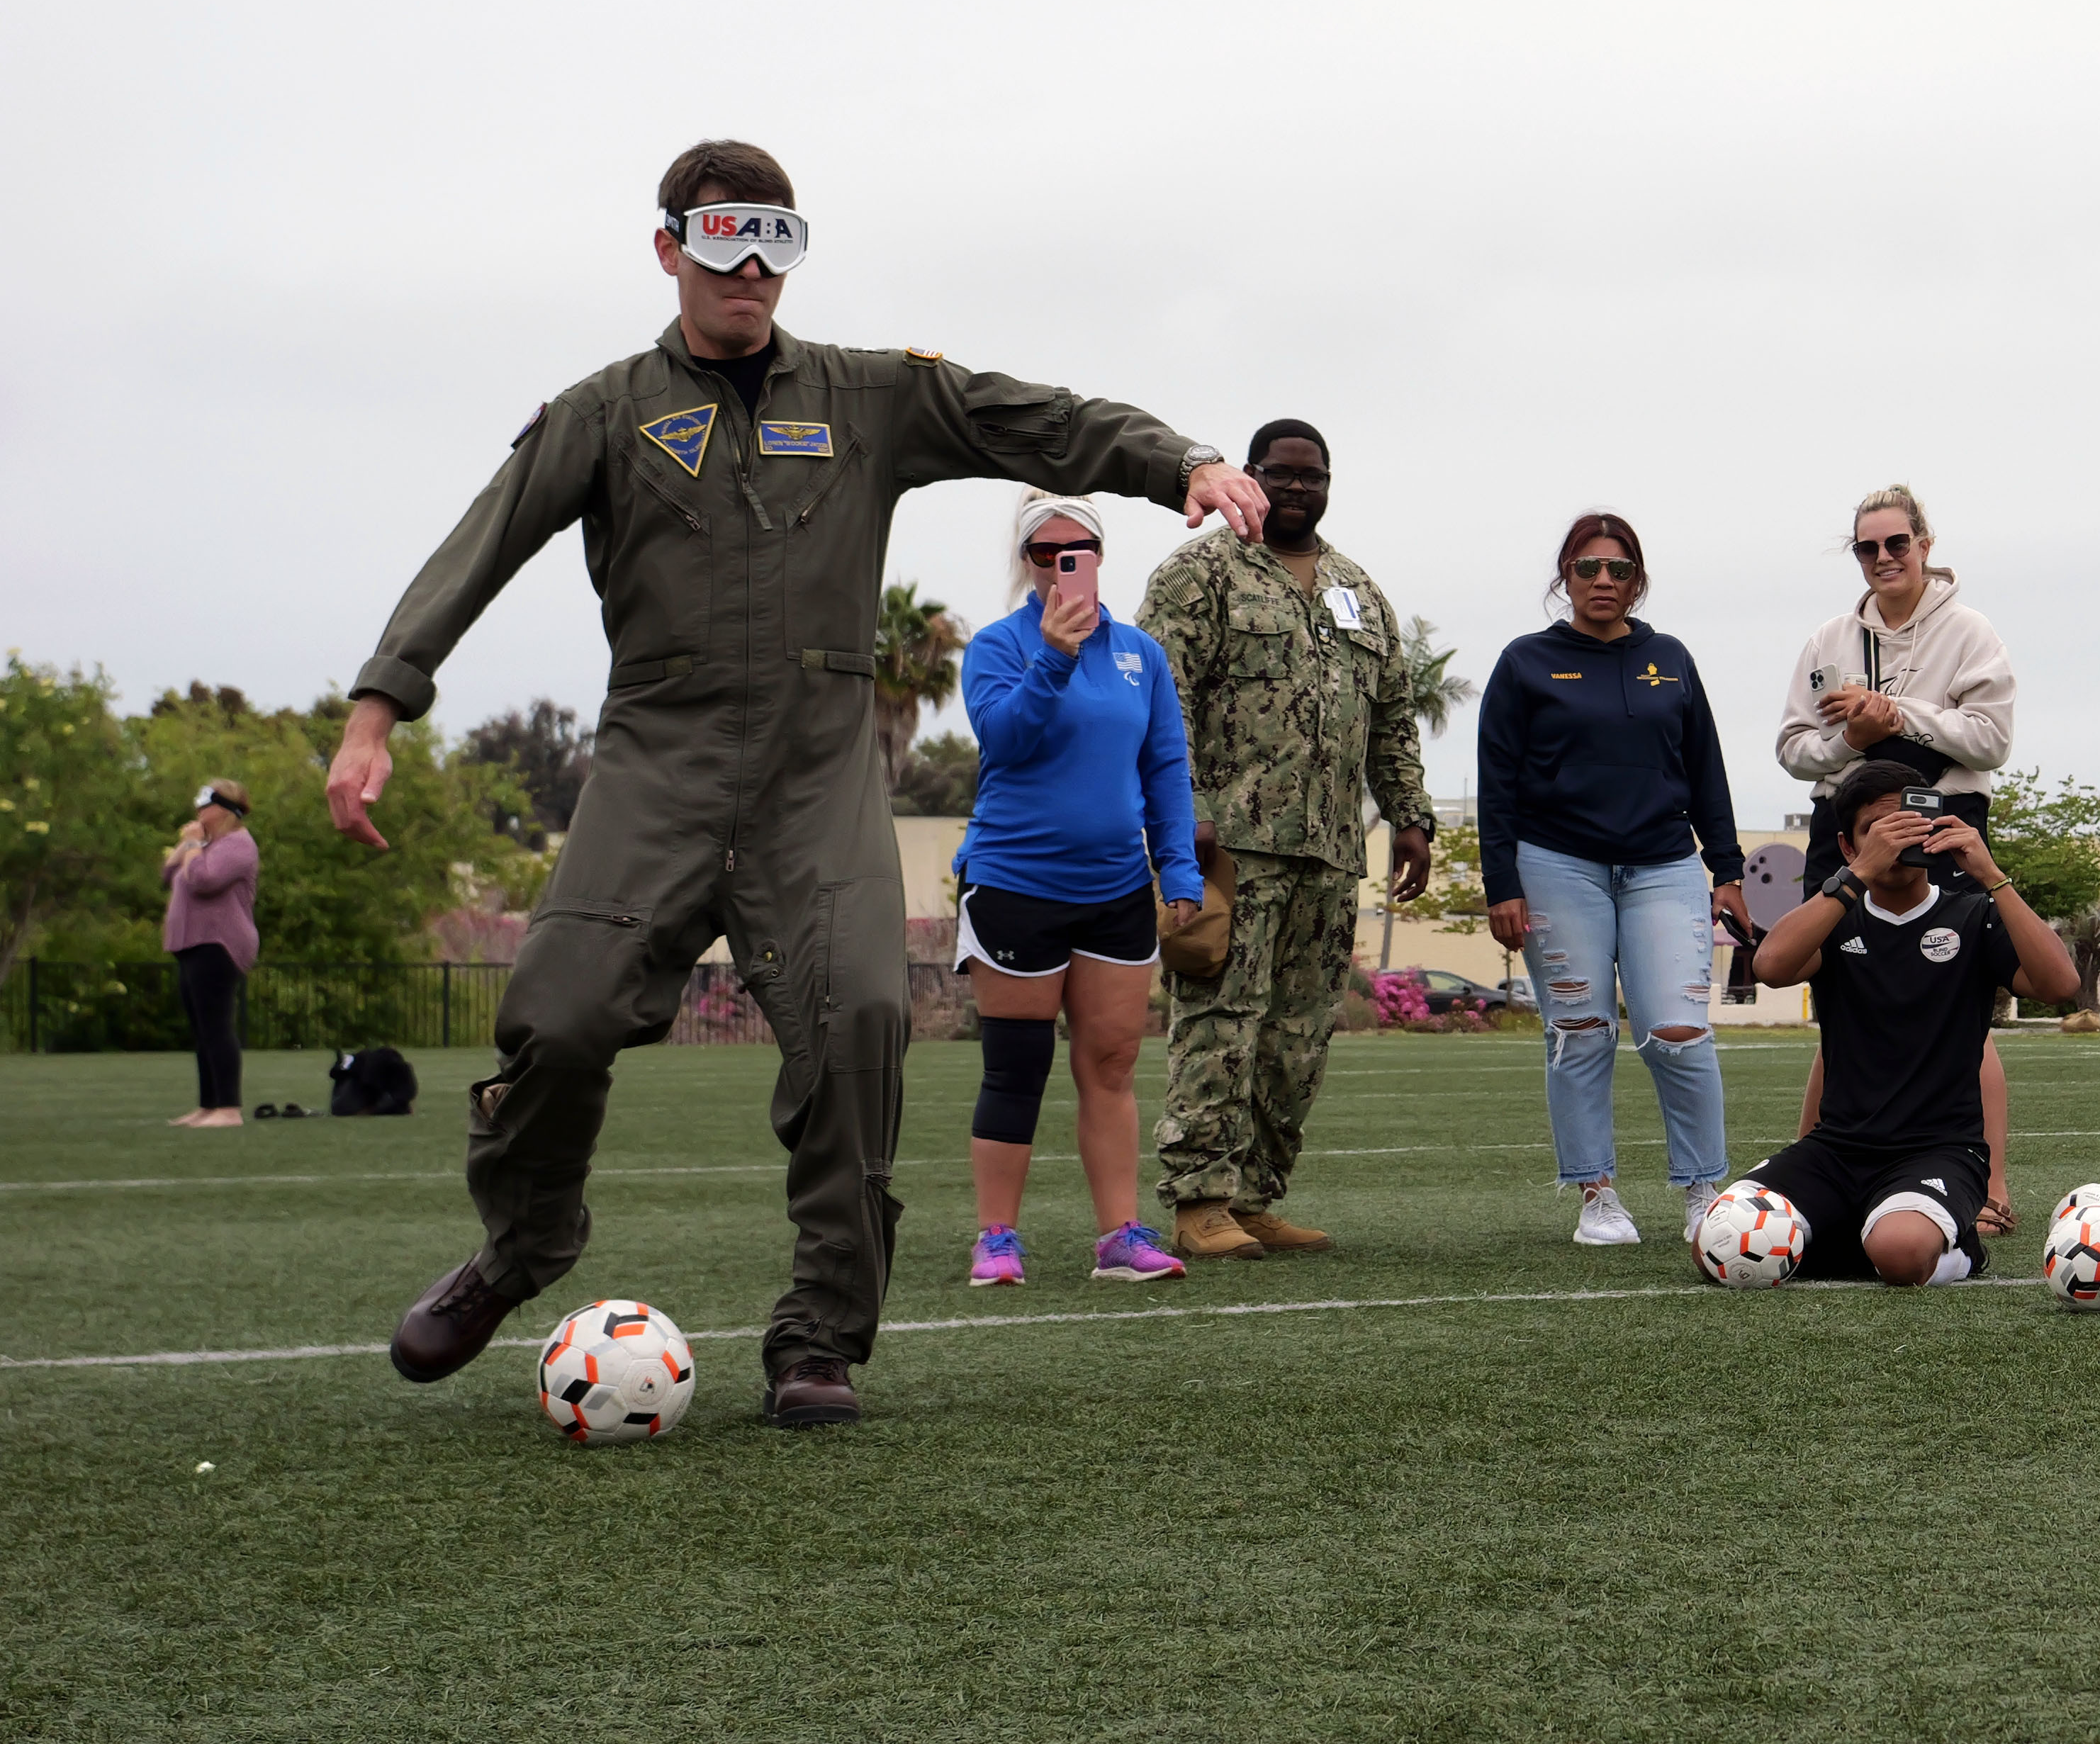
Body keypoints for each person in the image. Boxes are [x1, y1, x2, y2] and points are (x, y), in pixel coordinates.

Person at [327, 140, 1264, 1425]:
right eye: (721, 236)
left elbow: (1028, 416)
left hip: (818, 772)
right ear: (669, 249)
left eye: (776, 236)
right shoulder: (604, 411)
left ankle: (819, 1330)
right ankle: (521, 1246)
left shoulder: (868, 395)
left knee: (861, 1020)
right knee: (557, 1012)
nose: (751, 264)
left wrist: (1178, 463)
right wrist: (381, 703)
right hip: (658, 755)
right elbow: (483, 539)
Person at [1137, 417, 1435, 1261]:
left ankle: (1257, 1195)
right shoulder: (1200, 575)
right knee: (1219, 1020)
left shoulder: (1358, 589)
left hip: (1329, 850)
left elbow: (1392, 717)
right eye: (1281, 474)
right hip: (1224, 846)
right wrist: (1178, 810)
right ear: (1252, 478)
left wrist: (1408, 814)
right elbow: (1160, 700)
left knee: (1299, 1033)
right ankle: (1200, 1200)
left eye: (1314, 475)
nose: (1298, 488)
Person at [1477, 514, 1755, 1246]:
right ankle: (1596, 1194)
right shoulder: (1524, 662)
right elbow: (1495, 782)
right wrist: (1500, 881)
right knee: (1580, 1031)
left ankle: (1704, 1190)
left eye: (1620, 568)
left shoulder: (1670, 658)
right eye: (1587, 567)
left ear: (1639, 579)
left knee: (1680, 1029)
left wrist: (1726, 868)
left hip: (1663, 865)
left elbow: (1706, 770)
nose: (1604, 581)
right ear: (1564, 577)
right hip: (1555, 864)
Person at [954, 496, 1206, 1286]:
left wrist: (1180, 868)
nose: (1063, 558)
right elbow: (1005, 738)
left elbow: (1164, 766)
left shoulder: (1141, 654)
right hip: (1014, 884)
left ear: (1099, 553)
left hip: (1115, 889)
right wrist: (1054, 656)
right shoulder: (997, 647)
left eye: (1080, 545)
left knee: (1111, 1062)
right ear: (1026, 562)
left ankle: (1119, 1238)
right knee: (1016, 1066)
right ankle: (996, 1238)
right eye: (1045, 549)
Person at [1775, 483, 2025, 1232]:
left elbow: (1992, 741)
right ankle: (1814, 1165)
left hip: (1938, 815)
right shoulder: (1827, 639)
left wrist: (1896, 715)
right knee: (1840, 1007)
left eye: (1896, 543)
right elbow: (1792, 750)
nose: (1883, 558)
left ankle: (1992, 1185)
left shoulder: (1970, 630)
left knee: (1961, 1015)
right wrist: (1852, 740)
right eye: (1867, 547)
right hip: (1841, 822)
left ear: (1925, 544)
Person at [1741, 758, 2080, 1283]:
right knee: (1719, 1239)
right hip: (1835, 1151)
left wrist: (1991, 874)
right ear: (1850, 845)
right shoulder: (1836, 915)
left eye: (1909, 823)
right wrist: (1854, 875)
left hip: (1939, 1152)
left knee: (1899, 1252)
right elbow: (1771, 966)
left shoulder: (1973, 914)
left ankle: (1956, 1247)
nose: (1898, 842)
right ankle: (1865, 1232)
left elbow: (2061, 986)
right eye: (1879, 830)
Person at [157, 781, 259, 1130]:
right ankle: (208, 1106)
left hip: (219, 943)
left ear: (224, 809)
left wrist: (194, 847)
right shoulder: (205, 845)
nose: (198, 810)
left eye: (205, 803)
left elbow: (203, 880)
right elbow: (168, 875)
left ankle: (229, 1108)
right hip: (191, 944)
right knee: (201, 1030)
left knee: (216, 1026)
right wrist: (189, 843)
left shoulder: (238, 846)